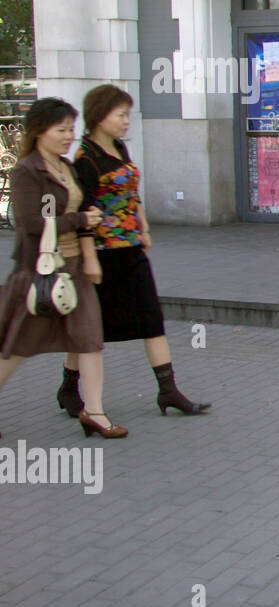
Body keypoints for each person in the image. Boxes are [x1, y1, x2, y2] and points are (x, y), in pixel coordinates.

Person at [57, 85, 210, 418]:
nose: (127, 121)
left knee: (151, 318)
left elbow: (131, 192)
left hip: (131, 249)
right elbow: (84, 210)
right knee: (92, 327)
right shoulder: (86, 159)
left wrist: (143, 226)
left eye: (128, 114)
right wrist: (91, 259)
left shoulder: (120, 148)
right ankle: (69, 386)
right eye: (121, 115)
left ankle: (168, 391)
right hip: (102, 254)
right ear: (100, 116)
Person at [0, 98, 125, 439]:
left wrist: (89, 250)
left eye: (72, 128)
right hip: (39, 271)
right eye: (62, 129)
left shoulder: (66, 167)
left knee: (89, 340)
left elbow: (80, 207)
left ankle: (95, 412)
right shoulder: (27, 170)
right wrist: (80, 219)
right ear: (40, 131)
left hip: (74, 270)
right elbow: (29, 222)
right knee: (17, 346)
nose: (69, 136)